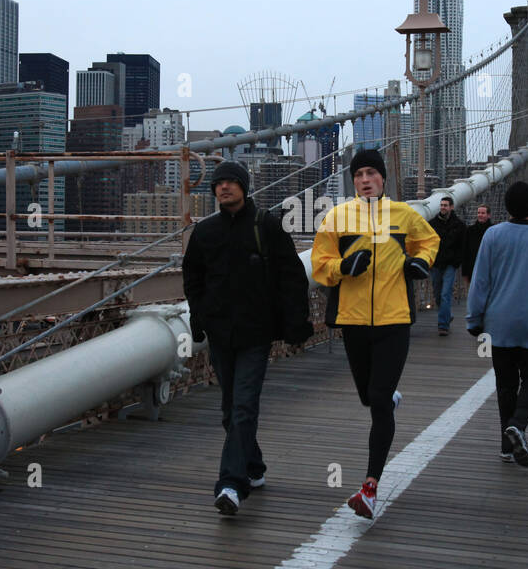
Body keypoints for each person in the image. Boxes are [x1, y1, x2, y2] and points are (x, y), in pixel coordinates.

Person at [312, 148, 439, 518]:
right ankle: (388, 397)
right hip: (352, 320)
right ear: (353, 181)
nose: (365, 179)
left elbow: (430, 242)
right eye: (359, 174)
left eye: (372, 172)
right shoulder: (337, 217)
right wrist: (343, 267)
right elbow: (320, 265)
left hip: (394, 319)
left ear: (384, 178)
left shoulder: (404, 215)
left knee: (379, 400)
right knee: (370, 396)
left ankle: (369, 488)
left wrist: (419, 261)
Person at [183, 161, 314, 516]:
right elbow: (193, 280)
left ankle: (231, 484)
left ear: (244, 186)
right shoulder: (205, 232)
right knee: (230, 410)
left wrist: (297, 323)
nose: (224, 187)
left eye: (231, 182)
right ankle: (253, 468)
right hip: (221, 335)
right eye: (219, 182)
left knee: (243, 407)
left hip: (256, 334)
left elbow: (292, 277)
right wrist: (198, 319)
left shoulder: (266, 225)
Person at [466, 181, 528, 466]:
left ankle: (506, 446)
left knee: (506, 384)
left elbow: (480, 281)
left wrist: (474, 319)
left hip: (499, 325)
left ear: (506, 206)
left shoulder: (493, 236)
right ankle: (518, 425)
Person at [429, 195, 467, 336]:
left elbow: (462, 246)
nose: (443, 207)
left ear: (451, 207)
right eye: (441, 205)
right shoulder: (432, 223)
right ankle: (446, 314)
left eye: (445, 205)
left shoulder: (460, 225)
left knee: (445, 294)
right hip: (436, 263)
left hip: (450, 264)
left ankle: (443, 325)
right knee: (437, 293)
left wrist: (457, 261)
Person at [462, 204, 493, 281]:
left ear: (488, 215)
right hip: (472, 269)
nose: (480, 215)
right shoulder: (470, 230)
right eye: (478, 213)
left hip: (489, 269)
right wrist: (465, 272)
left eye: (483, 213)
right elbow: (465, 251)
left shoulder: (494, 230)